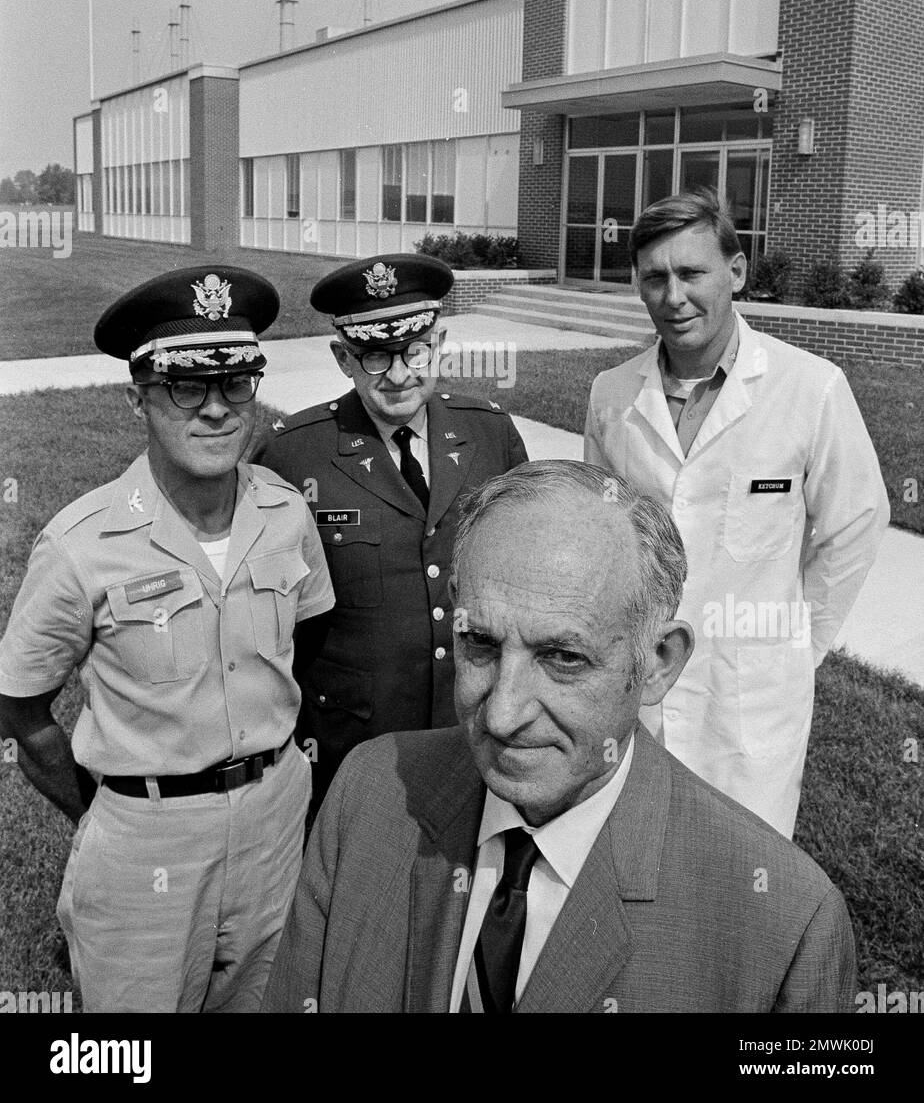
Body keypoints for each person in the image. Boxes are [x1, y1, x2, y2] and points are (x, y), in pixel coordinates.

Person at [262, 461, 857, 1014]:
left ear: (657, 663)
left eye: (563, 658)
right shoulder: (370, 792)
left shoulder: (783, 925)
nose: (502, 713)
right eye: (482, 646)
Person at [0, 266, 335, 1013]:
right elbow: (19, 710)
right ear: (139, 399)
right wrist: (102, 810)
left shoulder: (286, 514)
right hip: (145, 843)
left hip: (275, 822)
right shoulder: (82, 544)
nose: (216, 409)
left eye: (237, 383)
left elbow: (302, 647)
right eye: (187, 387)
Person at [584, 191, 889, 836]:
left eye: (691, 273)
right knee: (638, 860)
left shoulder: (809, 388)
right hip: (645, 686)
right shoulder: (612, 396)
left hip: (752, 698)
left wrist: (795, 646)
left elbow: (854, 524)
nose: (673, 297)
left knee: (748, 877)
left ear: (737, 272)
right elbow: (602, 534)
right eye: (654, 278)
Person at [253, 253, 527, 804]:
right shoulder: (295, 453)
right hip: (350, 742)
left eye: (415, 350)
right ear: (342, 358)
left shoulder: (490, 435)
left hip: (473, 728)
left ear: (440, 342)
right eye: (375, 357)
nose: (399, 375)